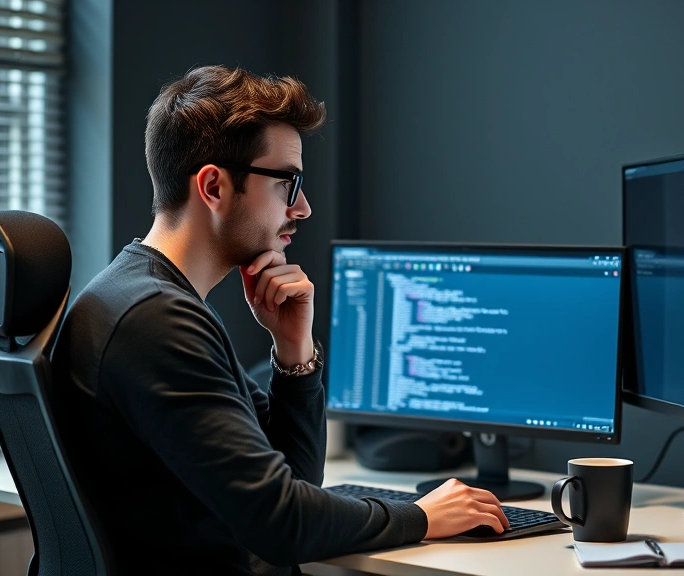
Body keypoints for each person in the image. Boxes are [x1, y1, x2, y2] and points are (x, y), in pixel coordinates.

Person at [51, 65, 509, 576]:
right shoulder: (155, 321)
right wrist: (421, 516)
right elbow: (283, 525)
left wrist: (294, 351)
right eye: (288, 183)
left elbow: (293, 483)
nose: (304, 208)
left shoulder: (139, 294)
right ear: (214, 186)